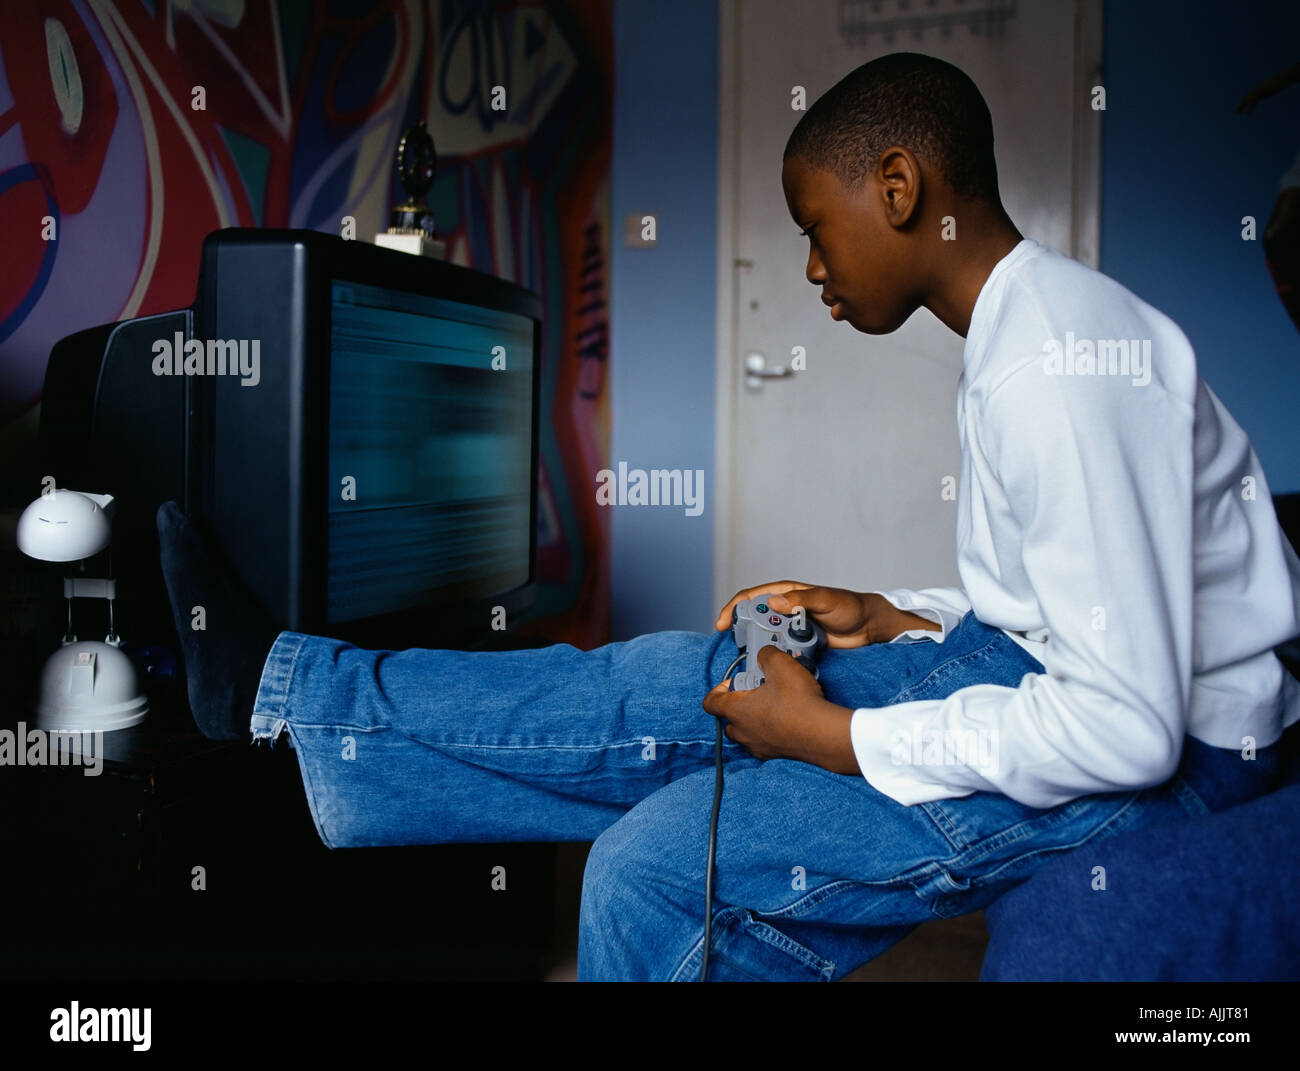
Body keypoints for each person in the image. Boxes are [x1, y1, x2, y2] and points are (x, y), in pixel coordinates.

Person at [155, 52, 1300, 982]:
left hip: (1169, 766)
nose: (808, 267)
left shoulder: (1058, 364)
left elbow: (1128, 726)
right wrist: (895, 614)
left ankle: (295, 705)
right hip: (1044, 678)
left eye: (814, 225)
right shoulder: (1023, 332)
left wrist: (839, 741)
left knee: (650, 873)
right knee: (676, 684)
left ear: (897, 190)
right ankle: (285, 693)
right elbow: (1086, 597)